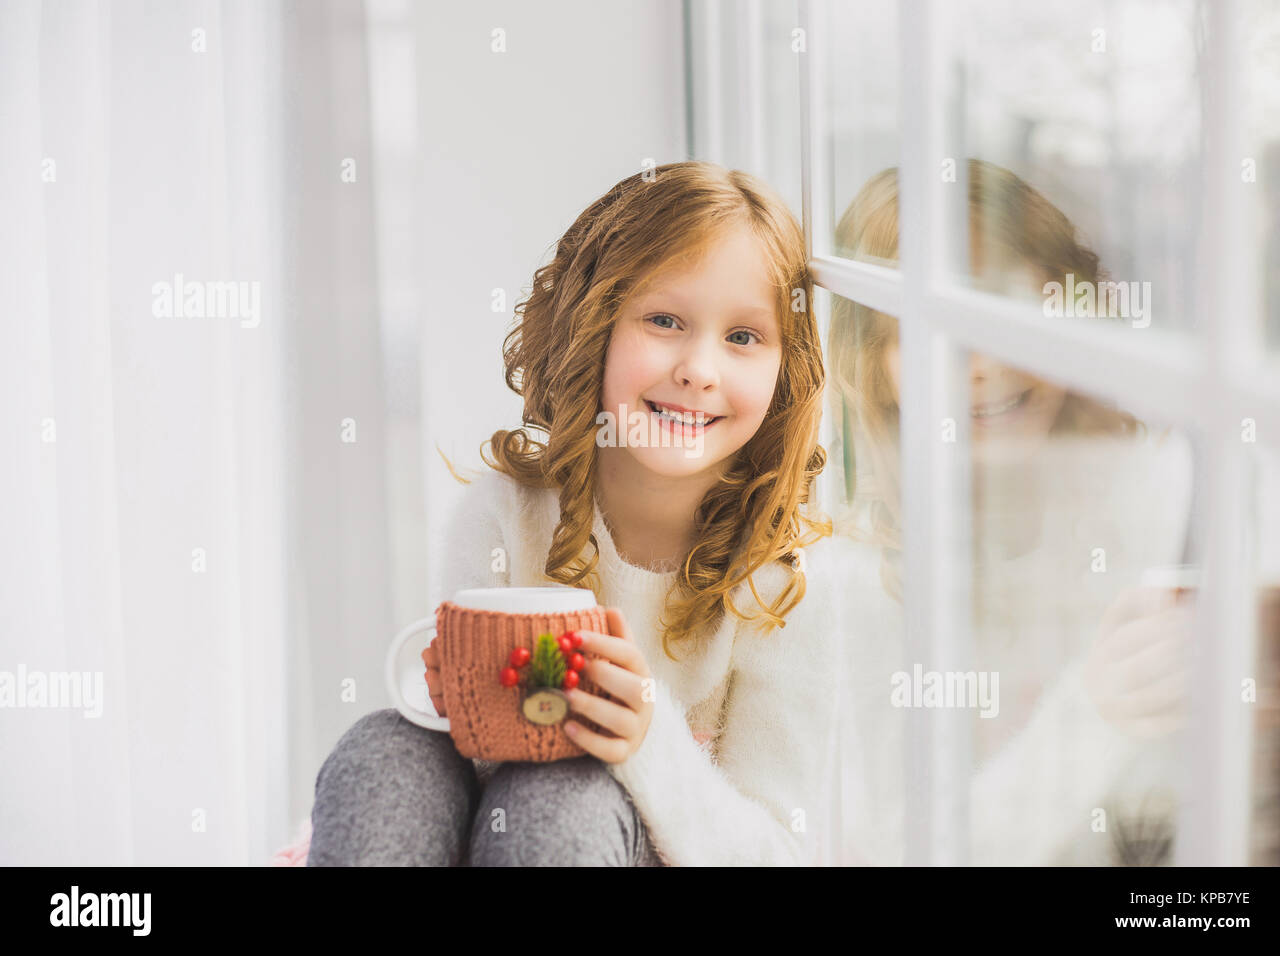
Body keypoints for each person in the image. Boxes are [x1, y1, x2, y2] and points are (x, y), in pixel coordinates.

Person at [307, 161, 840, 867]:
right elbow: (470, 783)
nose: (700, 369)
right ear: (594, 326)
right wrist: (456, 704)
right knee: (385, 748)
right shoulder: (508, 513)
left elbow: (778, 852)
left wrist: (646, 741)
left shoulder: (781, 588)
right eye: (664, 320)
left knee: (561, 794)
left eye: (743, 337)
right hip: (503, 827)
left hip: (625, 842)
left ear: (783, 370)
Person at [827, 159, 1194, 865]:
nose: (987, 365)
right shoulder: (853, 568)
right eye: (938, 336)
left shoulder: (1148, 478)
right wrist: (1097, 713)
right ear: (874, 365)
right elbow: (893, 852)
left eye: (1012, 316)